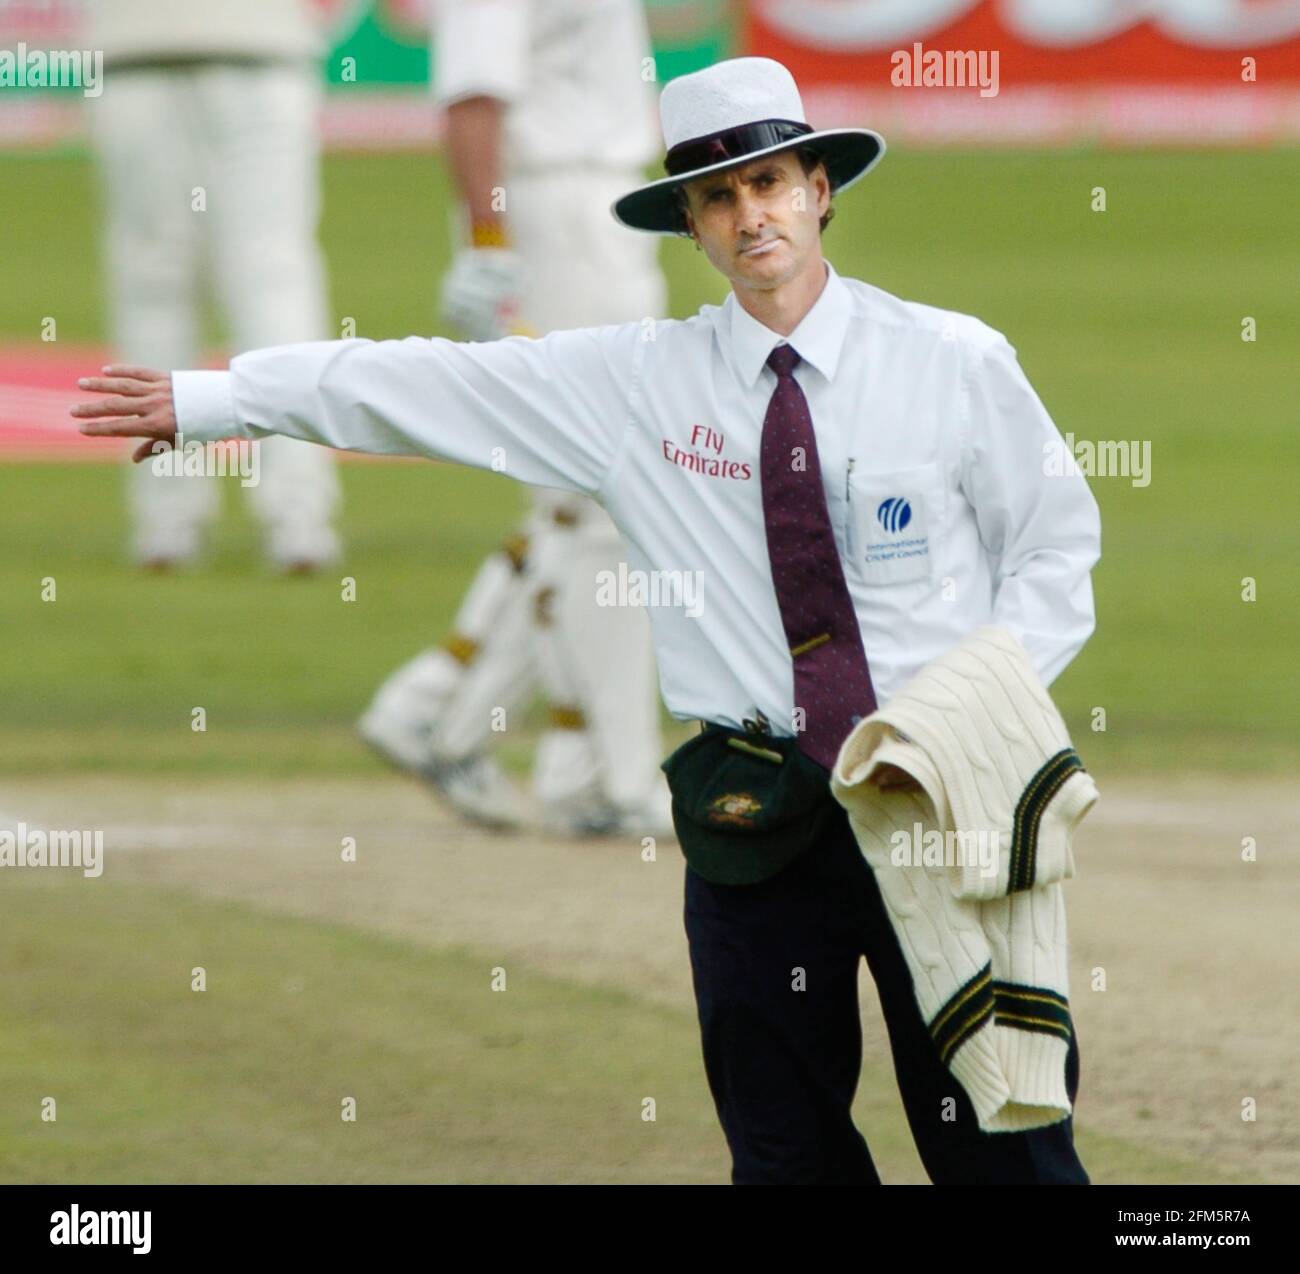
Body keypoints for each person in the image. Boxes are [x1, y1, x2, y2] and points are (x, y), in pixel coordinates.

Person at [73, 56, 1102, 1184]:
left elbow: (1055, 549)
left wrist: (973, 715)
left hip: (935, 794)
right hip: (752, 810)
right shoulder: (636, 382)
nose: (748, 215)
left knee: (1005, 1148)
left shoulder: (952, 360)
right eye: (716, 197)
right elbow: (424, 385)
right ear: (691, 230)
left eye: (768, 182)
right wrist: (221, 398)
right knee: (783, 1155)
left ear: (819, 188)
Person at [357, 0, 673, 836]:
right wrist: (490, 244)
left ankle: (449, 714)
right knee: (611, 490)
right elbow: (473, 97)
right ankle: (613, 775)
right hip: (557, 209)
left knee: (580, 500)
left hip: (589, 201)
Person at [84, 0, 341, 572]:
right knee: (271, 278)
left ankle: (168, 521)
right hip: (256, 46)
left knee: (156, 284)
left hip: (138, 51)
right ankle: (297, 517)